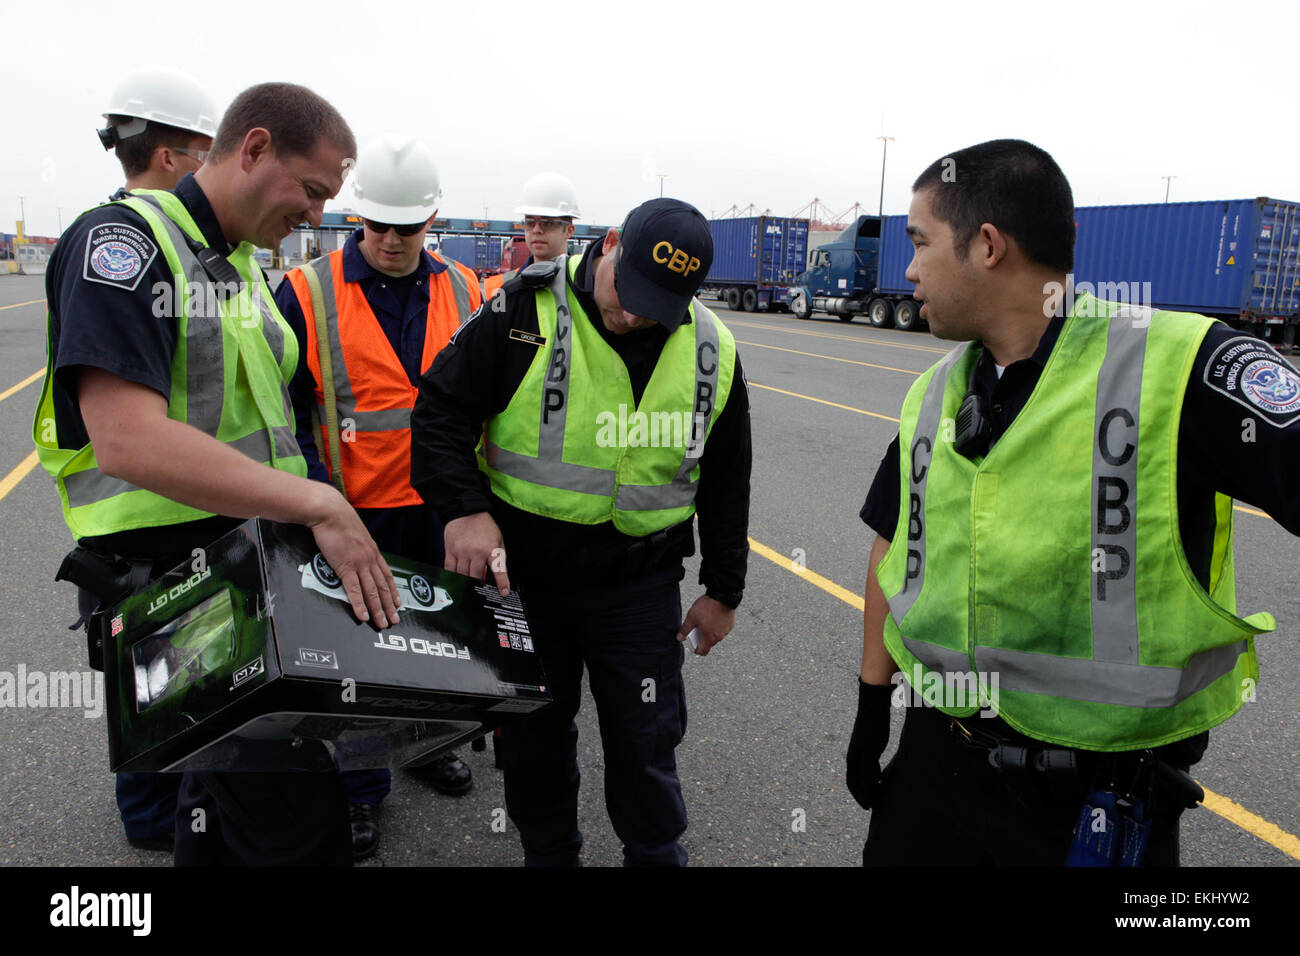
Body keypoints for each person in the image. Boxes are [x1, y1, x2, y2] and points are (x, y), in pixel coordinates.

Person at [847, 138, 1300, 866]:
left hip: (1095, 807)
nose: (907, 269)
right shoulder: (935, 392)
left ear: (987, 246)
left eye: (920, 241)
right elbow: (890, 545)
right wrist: (874, 709)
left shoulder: (1181, 364)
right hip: (936, 769)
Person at [34, 81, 399, 867]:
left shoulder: (233, 267)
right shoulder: (123, 244)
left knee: (223, 810)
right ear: (255, 147)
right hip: (166, 586)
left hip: (239, 569)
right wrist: (319, 504)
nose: (315, 216)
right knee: (293, 824)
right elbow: (126, 441)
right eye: (311, 191)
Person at [411, 197, 752, 866]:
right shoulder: (522, 310)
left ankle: (654, 855)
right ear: (613, 243)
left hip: (639, 583)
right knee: (533, 737)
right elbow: (440, 412)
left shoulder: (711, 346)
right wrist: (463, 509)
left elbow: (727, 475)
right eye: (628, 293)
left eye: (656, 305)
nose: (631, 314)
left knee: (646, 738)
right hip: (528, 582)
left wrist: (723, 591)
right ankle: (550, 855)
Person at [275, 135, 483, 860]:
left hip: (439, 508)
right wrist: (314, 501)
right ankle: (362, 789)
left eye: (409, 227)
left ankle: (427, 747)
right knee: (360, 657)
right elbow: (285, 412)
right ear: (357, 217)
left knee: (436, 647)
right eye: (378, 226)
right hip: (351, 513)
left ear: (433, 220)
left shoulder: (465, 289)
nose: (392, 241)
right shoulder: (306, 292)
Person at [91, 66, 222, 854]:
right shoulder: (126, 243)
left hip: (203, 533)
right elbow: (127, 438)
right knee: (155, 709)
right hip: (145, 545)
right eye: (205, 153)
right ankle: (151, 836)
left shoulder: (197, 251)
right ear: (174, 156)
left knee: (181, 706)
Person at [99, 66, 219, 200]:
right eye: (204, 156)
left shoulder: (112, 218)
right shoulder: (126, 219)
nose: (211, 168)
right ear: (167, 159)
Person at [482, 171, 580, 300]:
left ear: (569, 230)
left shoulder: (585, 284)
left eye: (547, 223)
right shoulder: (499, 287)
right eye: (530, 223)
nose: (536, 230)